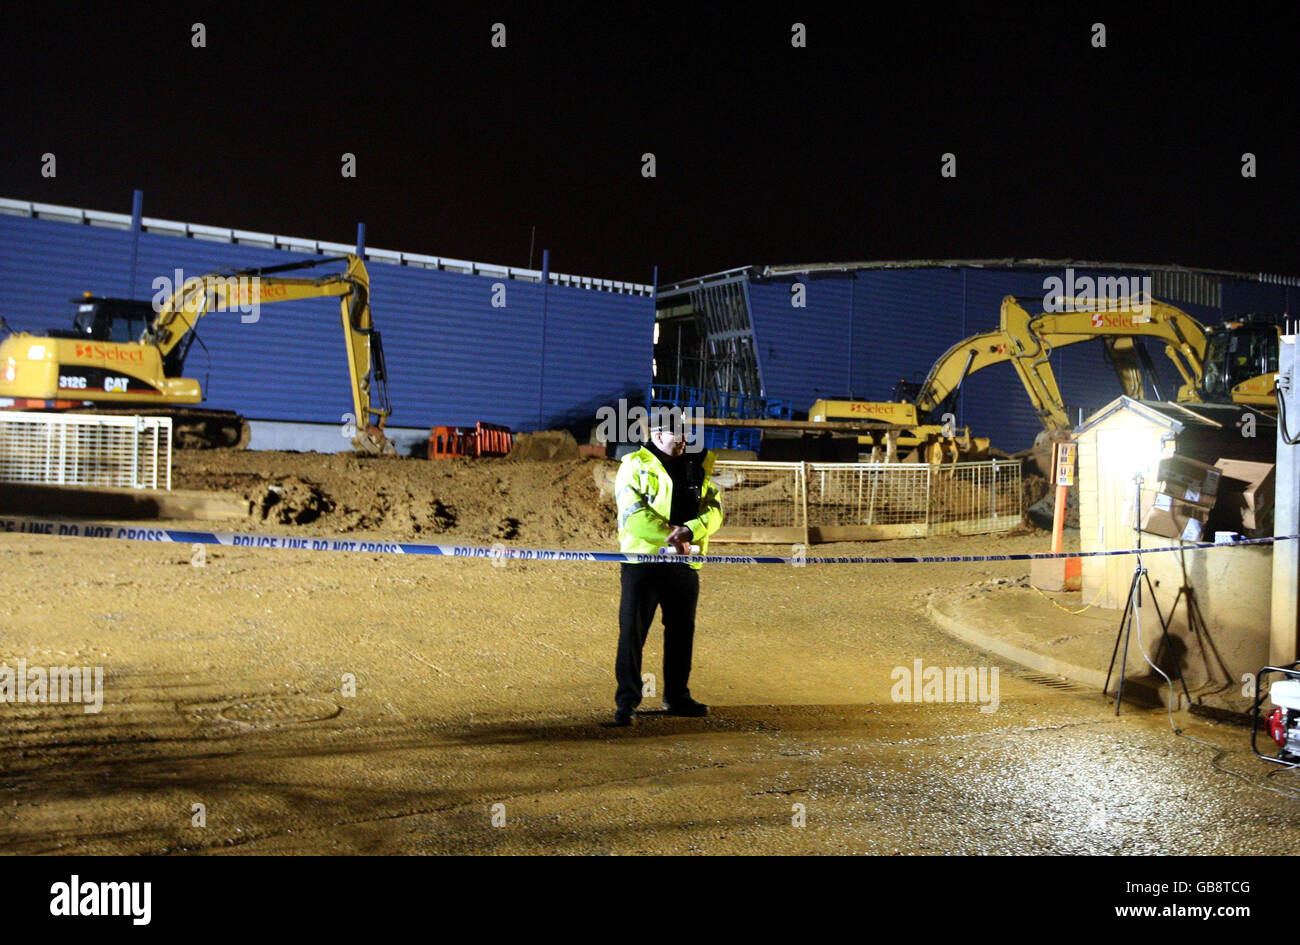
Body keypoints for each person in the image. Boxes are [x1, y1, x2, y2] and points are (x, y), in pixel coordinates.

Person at [611, 413, 723, 726]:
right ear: (659, 435)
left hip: (684, 564)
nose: (685, 440)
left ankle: (677, 696)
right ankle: (627, 702)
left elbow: (714, 509)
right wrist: (671, 537)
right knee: (633, 634)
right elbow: (633, 514)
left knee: (681, 632)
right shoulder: (633, 464)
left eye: (686, 434)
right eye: (678, 434)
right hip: (643, 563)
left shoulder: (697, 466)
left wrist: (691, 529)